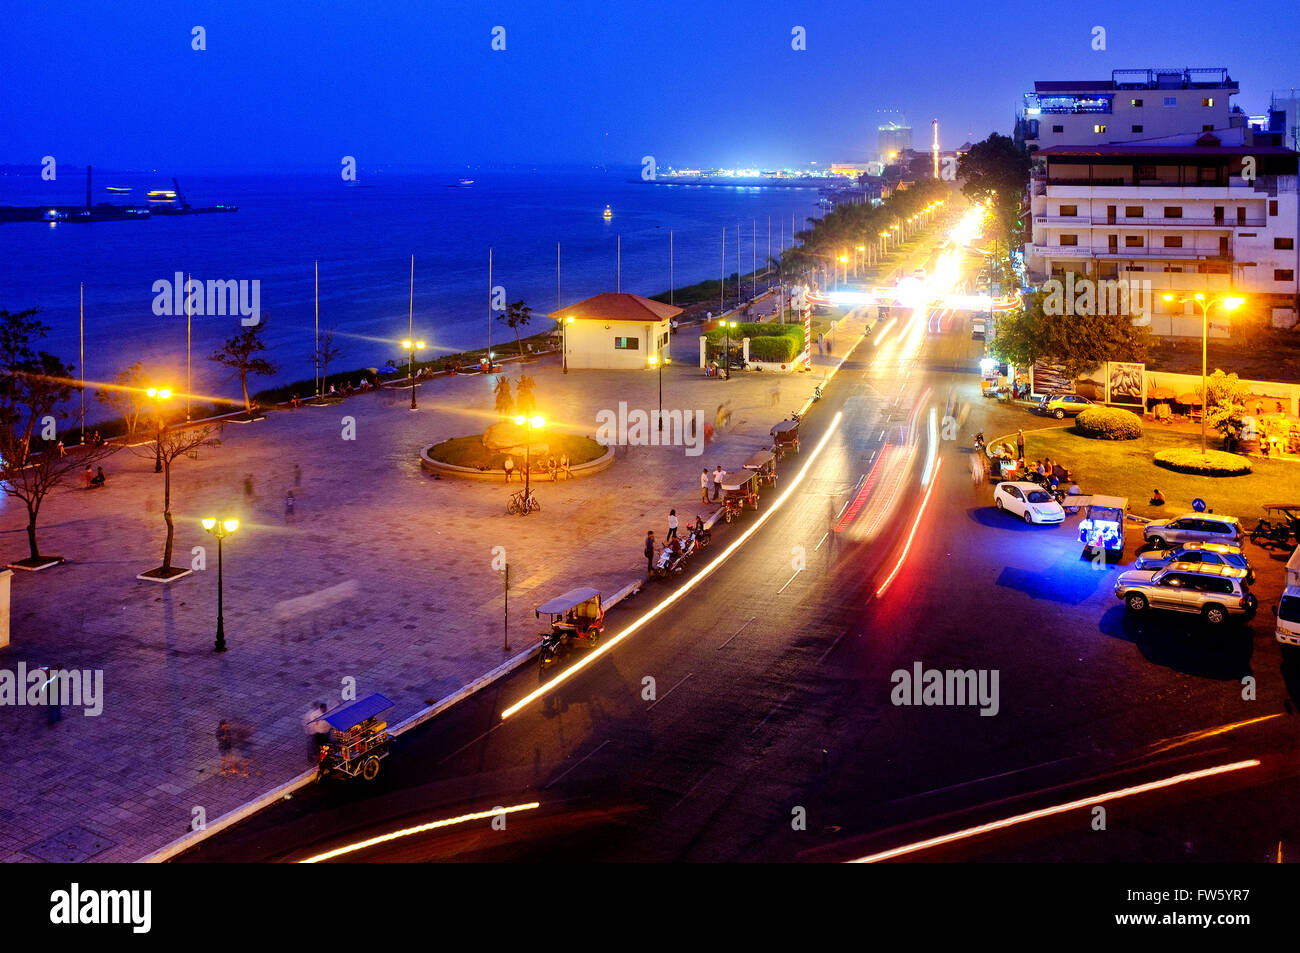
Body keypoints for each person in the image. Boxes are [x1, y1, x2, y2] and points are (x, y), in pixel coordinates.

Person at [303, 702, 329, 766]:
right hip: (315, 733)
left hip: (322, 732)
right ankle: (314, 758)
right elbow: (311, 724)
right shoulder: (312, 714)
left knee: (323, 746)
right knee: (314, 746)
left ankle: (322, 758)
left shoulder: (322, 712)